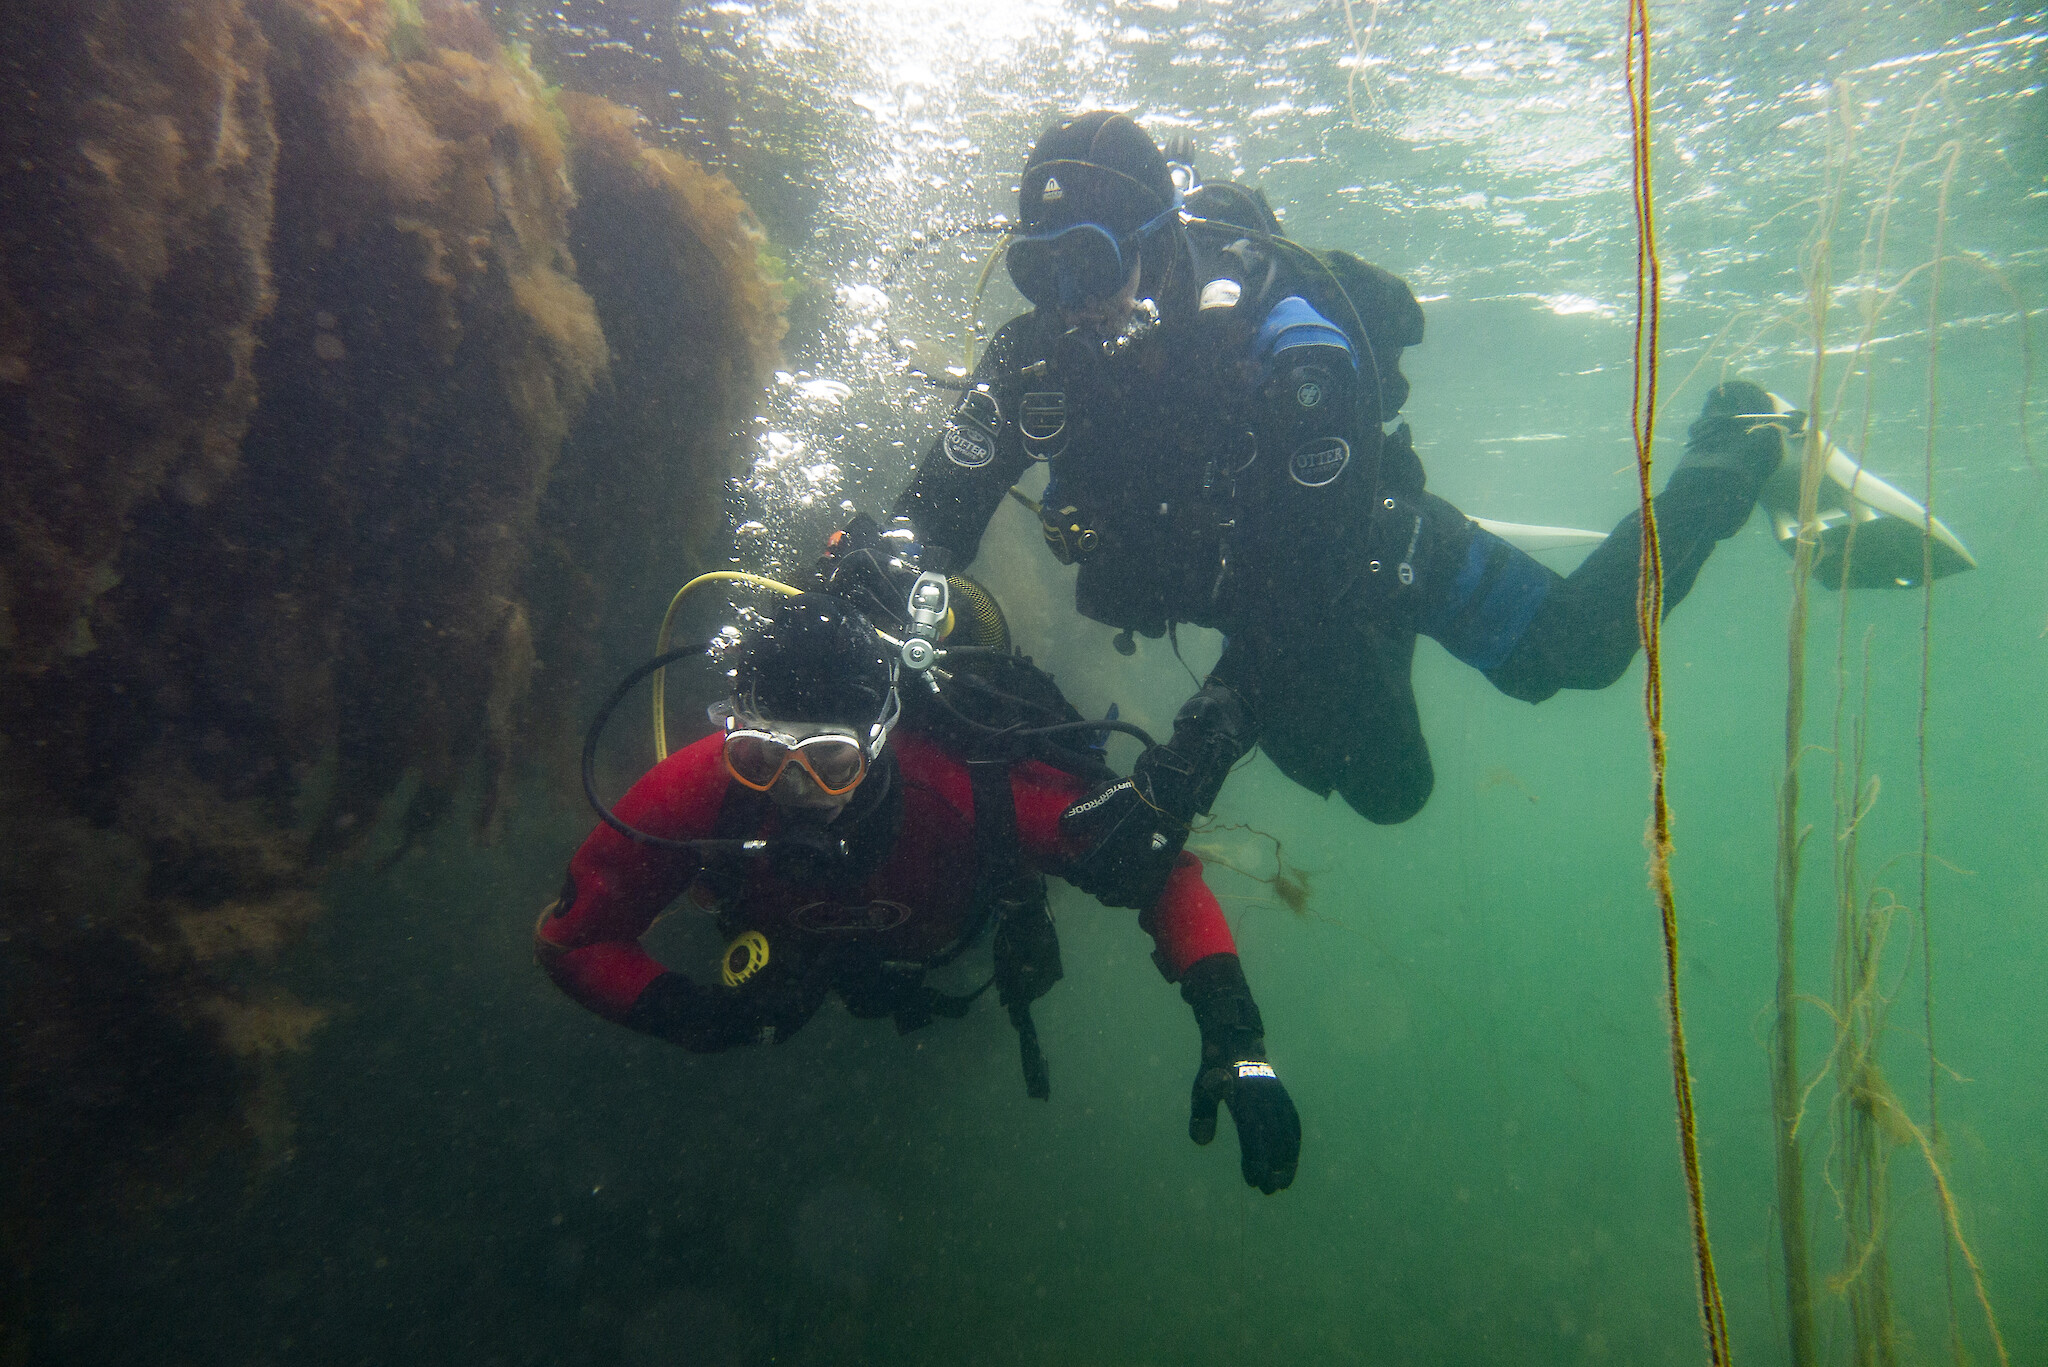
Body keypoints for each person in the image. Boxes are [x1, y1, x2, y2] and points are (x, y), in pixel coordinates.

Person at [892, 110, 1797, 907]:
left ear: (1159, 242)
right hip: (1253, 602)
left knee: (1579, 650)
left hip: (1362, 553)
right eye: (1040, 271)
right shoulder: (1034, 359)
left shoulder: (1288, 348)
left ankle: (1741, 441)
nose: (1068, 305)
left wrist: (1188, 764)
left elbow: (1309, 577)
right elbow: (928, 518)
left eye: (1089, 263)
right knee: (1392, 792)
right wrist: (864, 574)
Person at [534, 588, 1302, 1193]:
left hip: (947, 971)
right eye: (761, 759)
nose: (796, 791)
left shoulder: (970, 789)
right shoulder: (705, 787)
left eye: (831, 763)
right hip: (786, 978)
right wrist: (696, 1015)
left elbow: (1161, 874)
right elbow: (572, 938)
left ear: (882, 737)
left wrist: (1239, 1044)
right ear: (734, 737)